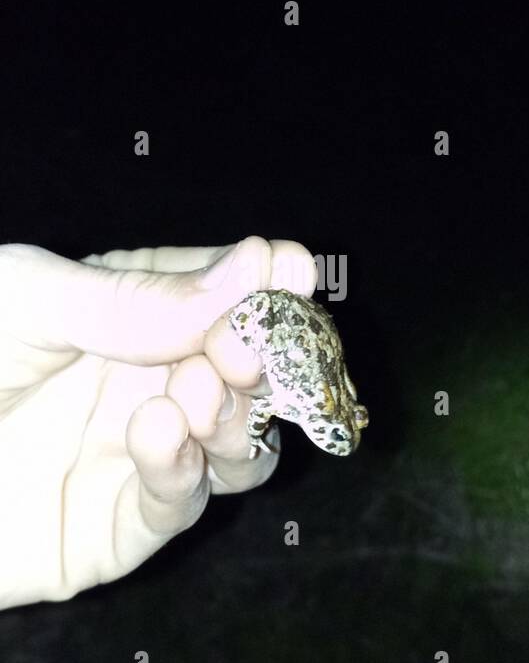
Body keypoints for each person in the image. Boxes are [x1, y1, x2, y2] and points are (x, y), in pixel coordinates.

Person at [0, 235, 317, 612]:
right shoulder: (307, 403)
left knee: (218, 394)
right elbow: (264, 409)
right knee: (230, 379)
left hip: (277, 338)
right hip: (270, 326)